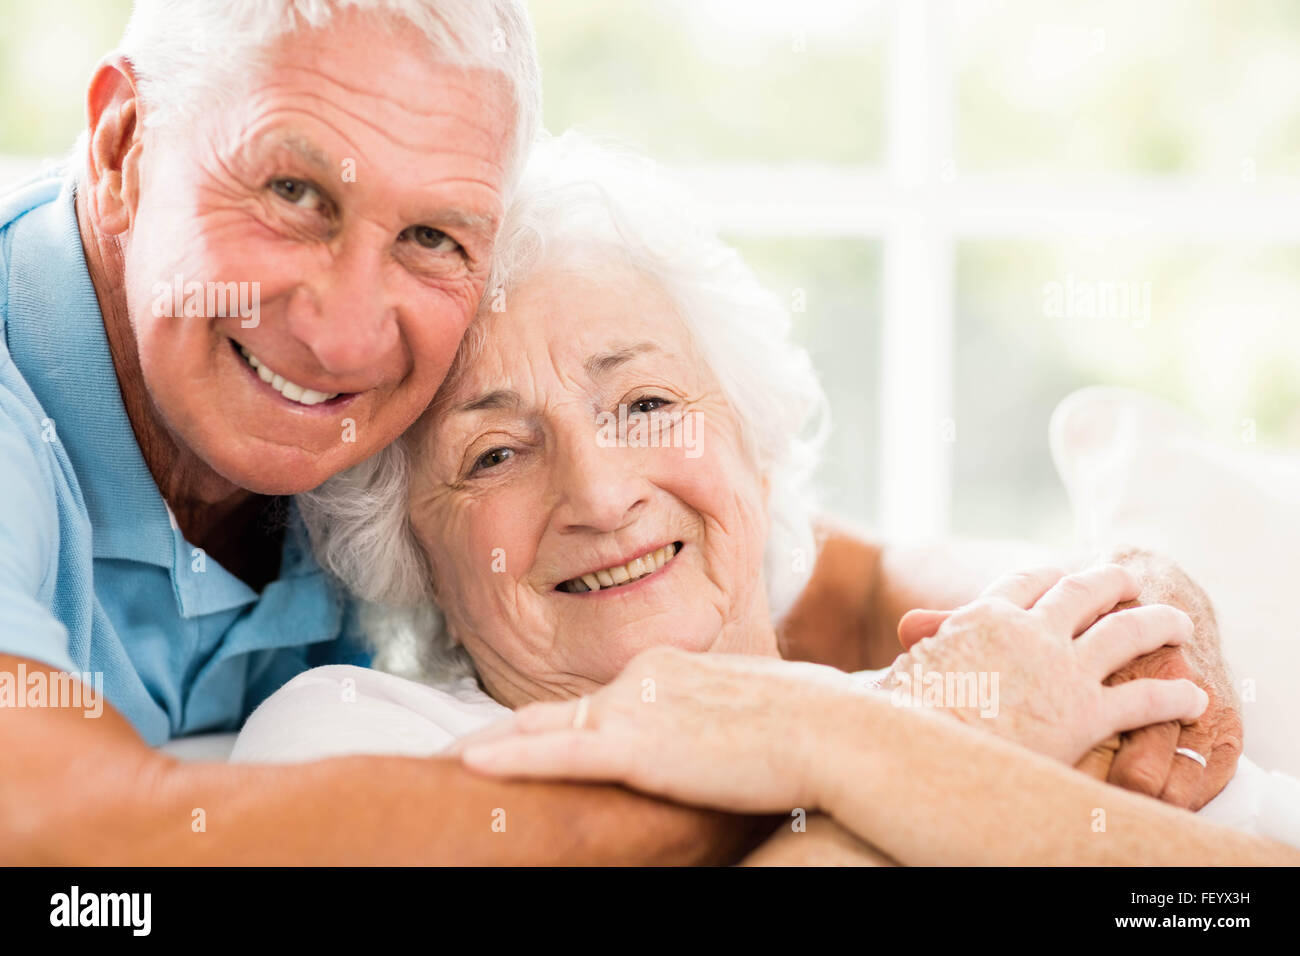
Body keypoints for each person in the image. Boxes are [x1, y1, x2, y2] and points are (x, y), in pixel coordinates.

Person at [230, 134, 1276, 863]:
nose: (600, 492)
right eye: (496, 454)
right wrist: (905, 745)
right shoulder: (353, 743)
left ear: (754, 442)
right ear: (410, 546)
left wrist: (1121, 598)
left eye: (646, 403)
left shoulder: (1023, 691)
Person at [1, 1, 776, 866]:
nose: (346, 342)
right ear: (123, 148)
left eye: (431, 236)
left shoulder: (361, 420)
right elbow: (58, 836)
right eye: (293, 194)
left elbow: (730, 553)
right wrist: (792, 772)